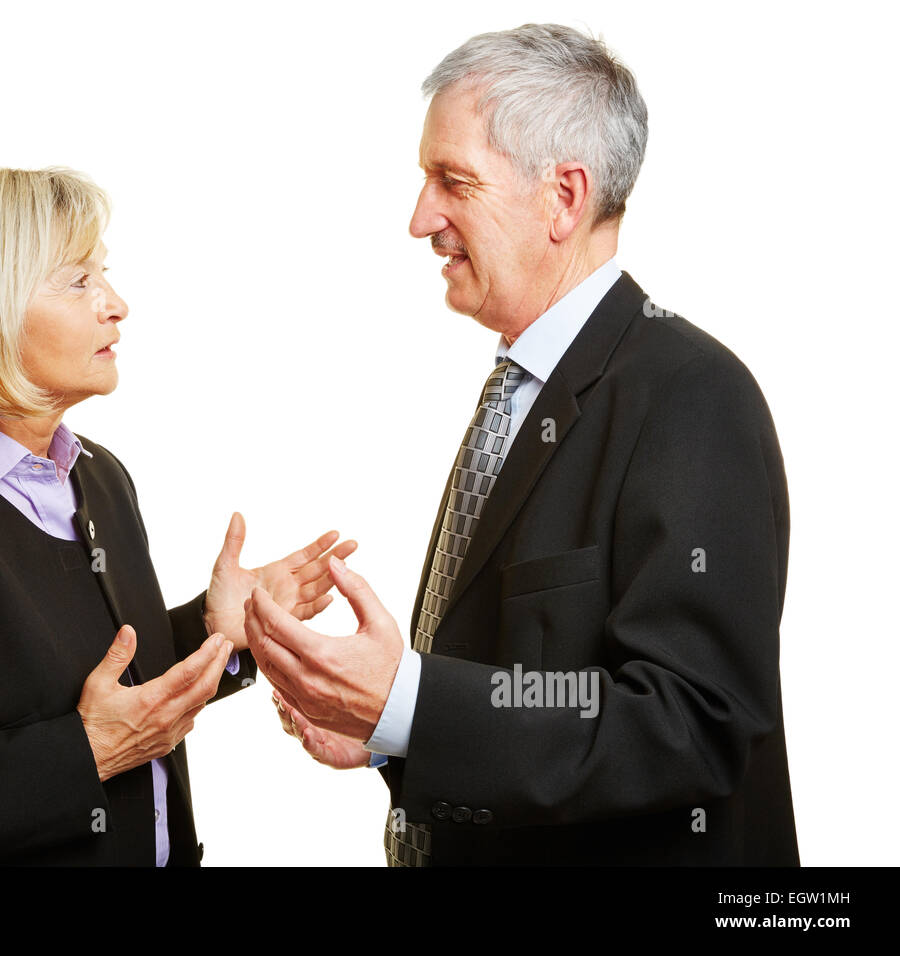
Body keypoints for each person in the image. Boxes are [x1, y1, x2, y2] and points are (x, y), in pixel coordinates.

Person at [246, 23, 798, 866]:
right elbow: (520, 695)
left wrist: (411, 705)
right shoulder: (524, 387)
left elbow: (689, 724)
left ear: (564, 198)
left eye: (453, 181)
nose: (419, 218)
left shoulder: (691, 396)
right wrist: (388, 734)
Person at [0, 167, 354, 865]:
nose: (116, 304)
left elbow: (104, 690)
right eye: (78, 280)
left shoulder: (101, 478)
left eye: (104, 275)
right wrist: (84, 753)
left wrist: (215, 635)